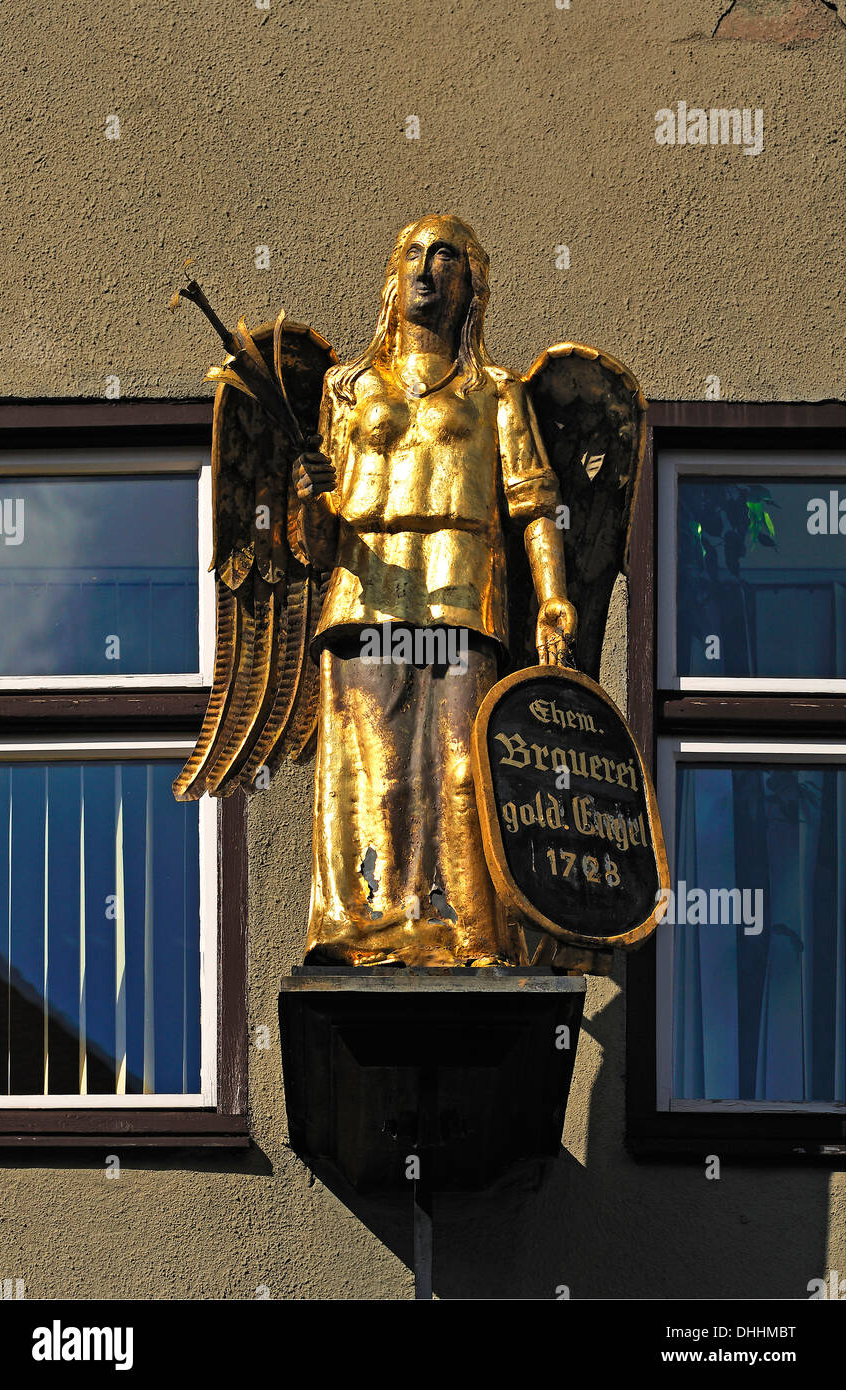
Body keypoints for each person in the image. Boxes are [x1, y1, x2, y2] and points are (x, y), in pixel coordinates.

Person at [292, 214, 576, 966]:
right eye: (413, 255)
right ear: (394, 277)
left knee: (460, 768)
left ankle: (467, 933)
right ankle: (359, 931)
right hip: (364, 589)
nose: (425, 269)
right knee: (369, 768)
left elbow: (534, 510)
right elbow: (317, 545)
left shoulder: (498, 393)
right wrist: (308, 497)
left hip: (460, 584)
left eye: (443, 256)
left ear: (469, 283)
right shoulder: (346, 389)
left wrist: (553, 595)